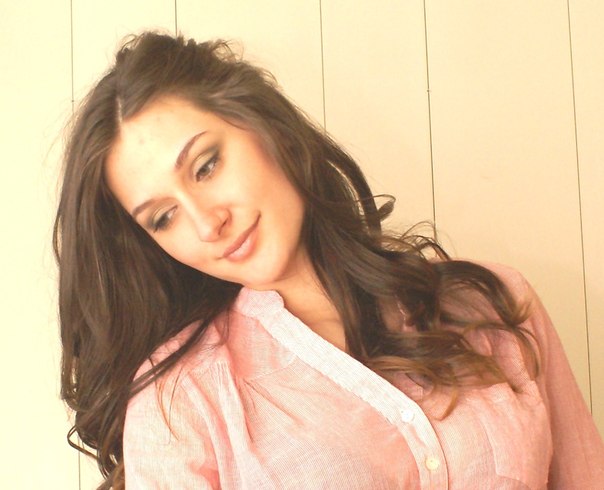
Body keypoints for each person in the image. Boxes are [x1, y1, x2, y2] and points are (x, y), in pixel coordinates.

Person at [54, 32, 604, 490]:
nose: (206, 222)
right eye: (163, 217)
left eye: (206, 166)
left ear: (264, 126)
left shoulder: (494, 308)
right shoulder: (181, 398)